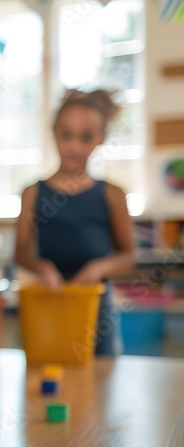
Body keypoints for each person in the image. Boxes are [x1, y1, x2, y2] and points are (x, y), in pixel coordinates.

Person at [15, 89, 137, 355]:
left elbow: (128, 254)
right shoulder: (33, 193)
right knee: (50, 370)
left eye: (85, 137)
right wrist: (41, 266)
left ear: (101, 139)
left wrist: (98, 268)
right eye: (66, 135)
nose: (74, 146)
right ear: (54, 132)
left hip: (96, 301)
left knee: (101, 379)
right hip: (50, 297)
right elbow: (21, 253)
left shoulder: (112, 195)